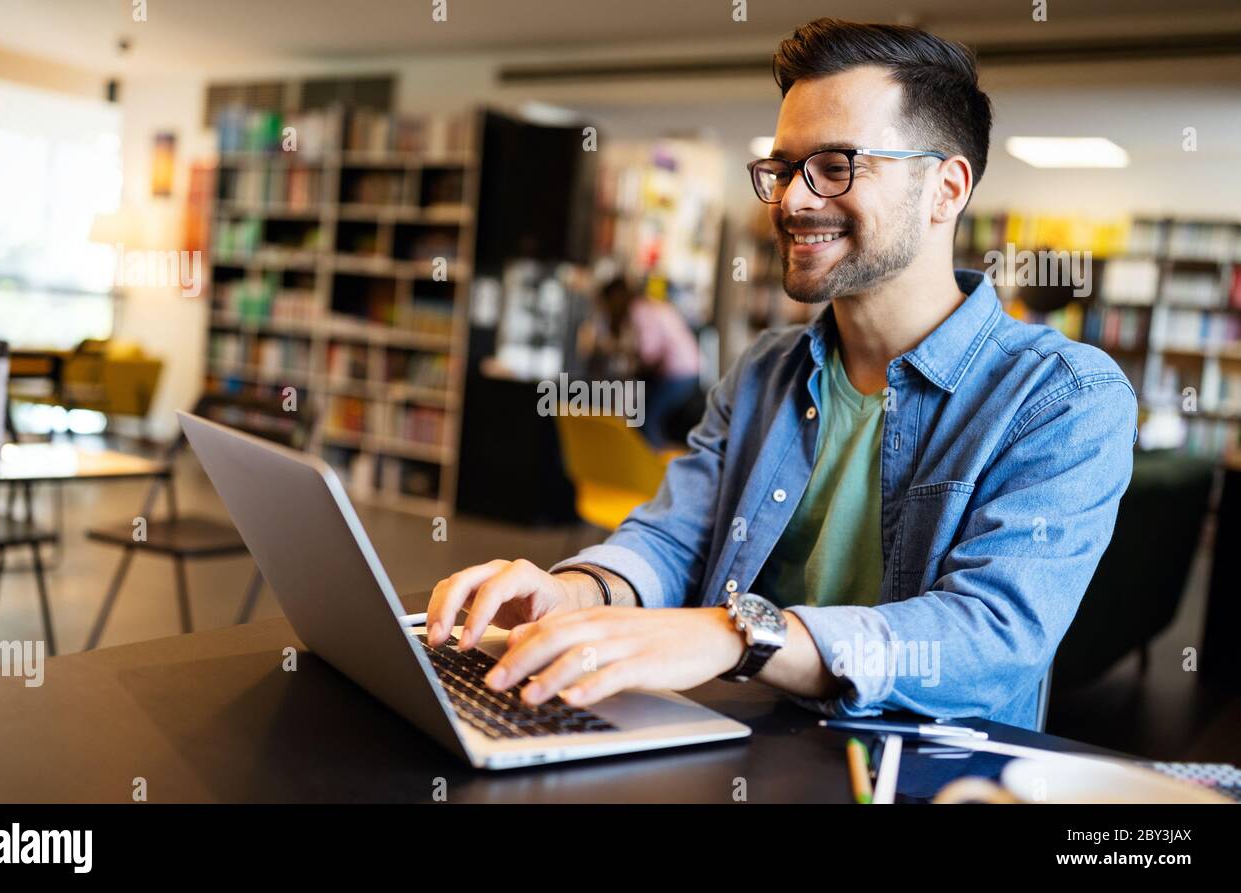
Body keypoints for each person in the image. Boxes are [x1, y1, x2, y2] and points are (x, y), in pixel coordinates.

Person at [426, 18, 1137, 730]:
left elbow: (990, 636)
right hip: (740, 743)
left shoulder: (1063, 396)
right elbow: (677, 538)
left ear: (944, 189)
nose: (793, 200)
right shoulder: (767, 368)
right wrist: (580, 591)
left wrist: (738, 634)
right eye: (785, 167)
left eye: (836, 166)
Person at [582, 276, 702, 446]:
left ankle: (656, 468)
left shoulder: (640, 310)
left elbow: (649, 352)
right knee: (642, 416)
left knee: (645, 420)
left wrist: (618, 351)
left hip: (679, 373)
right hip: (687, 370)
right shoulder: (646, 306)